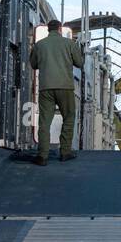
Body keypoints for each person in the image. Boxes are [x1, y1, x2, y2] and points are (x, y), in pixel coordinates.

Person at [30, 19, 84, 165]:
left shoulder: (39, 45)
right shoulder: (69, 44)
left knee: (44, 121)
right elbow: (80, 63)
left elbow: (33, 64)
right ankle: (65, 152)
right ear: (60, 29)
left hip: (46, 87)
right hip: (65, 87)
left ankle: (42, 156)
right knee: (69, 116)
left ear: (48, 29)